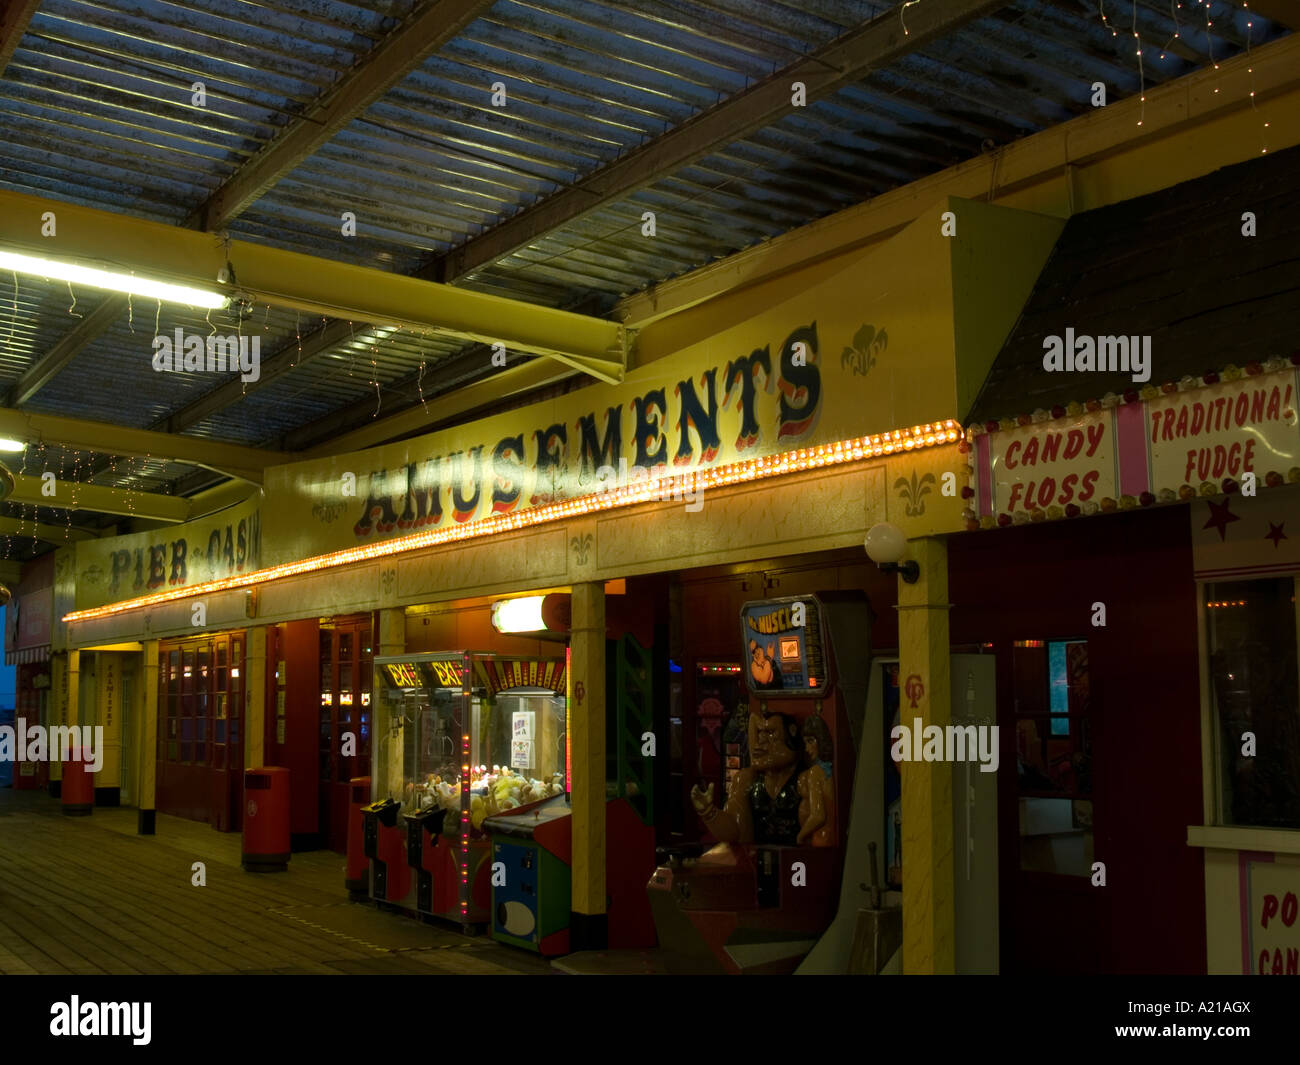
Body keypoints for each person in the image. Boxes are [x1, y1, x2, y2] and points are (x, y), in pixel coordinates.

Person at [691, 711, 802, 845]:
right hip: (756, 860)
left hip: (798, 860)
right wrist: (708, 812)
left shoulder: (805, 778)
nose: (761, 740)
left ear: (792, 732)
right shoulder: (747, 779)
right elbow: (733, 832)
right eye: (760, 733)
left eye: (771, 732)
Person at [797, 715, 835, 846]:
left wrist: (800, 836)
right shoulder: (829, 771)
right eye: (805, 743)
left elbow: (818, 815)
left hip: (820, 838)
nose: (807, 748)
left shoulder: (815, 772)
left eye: (811, 741)